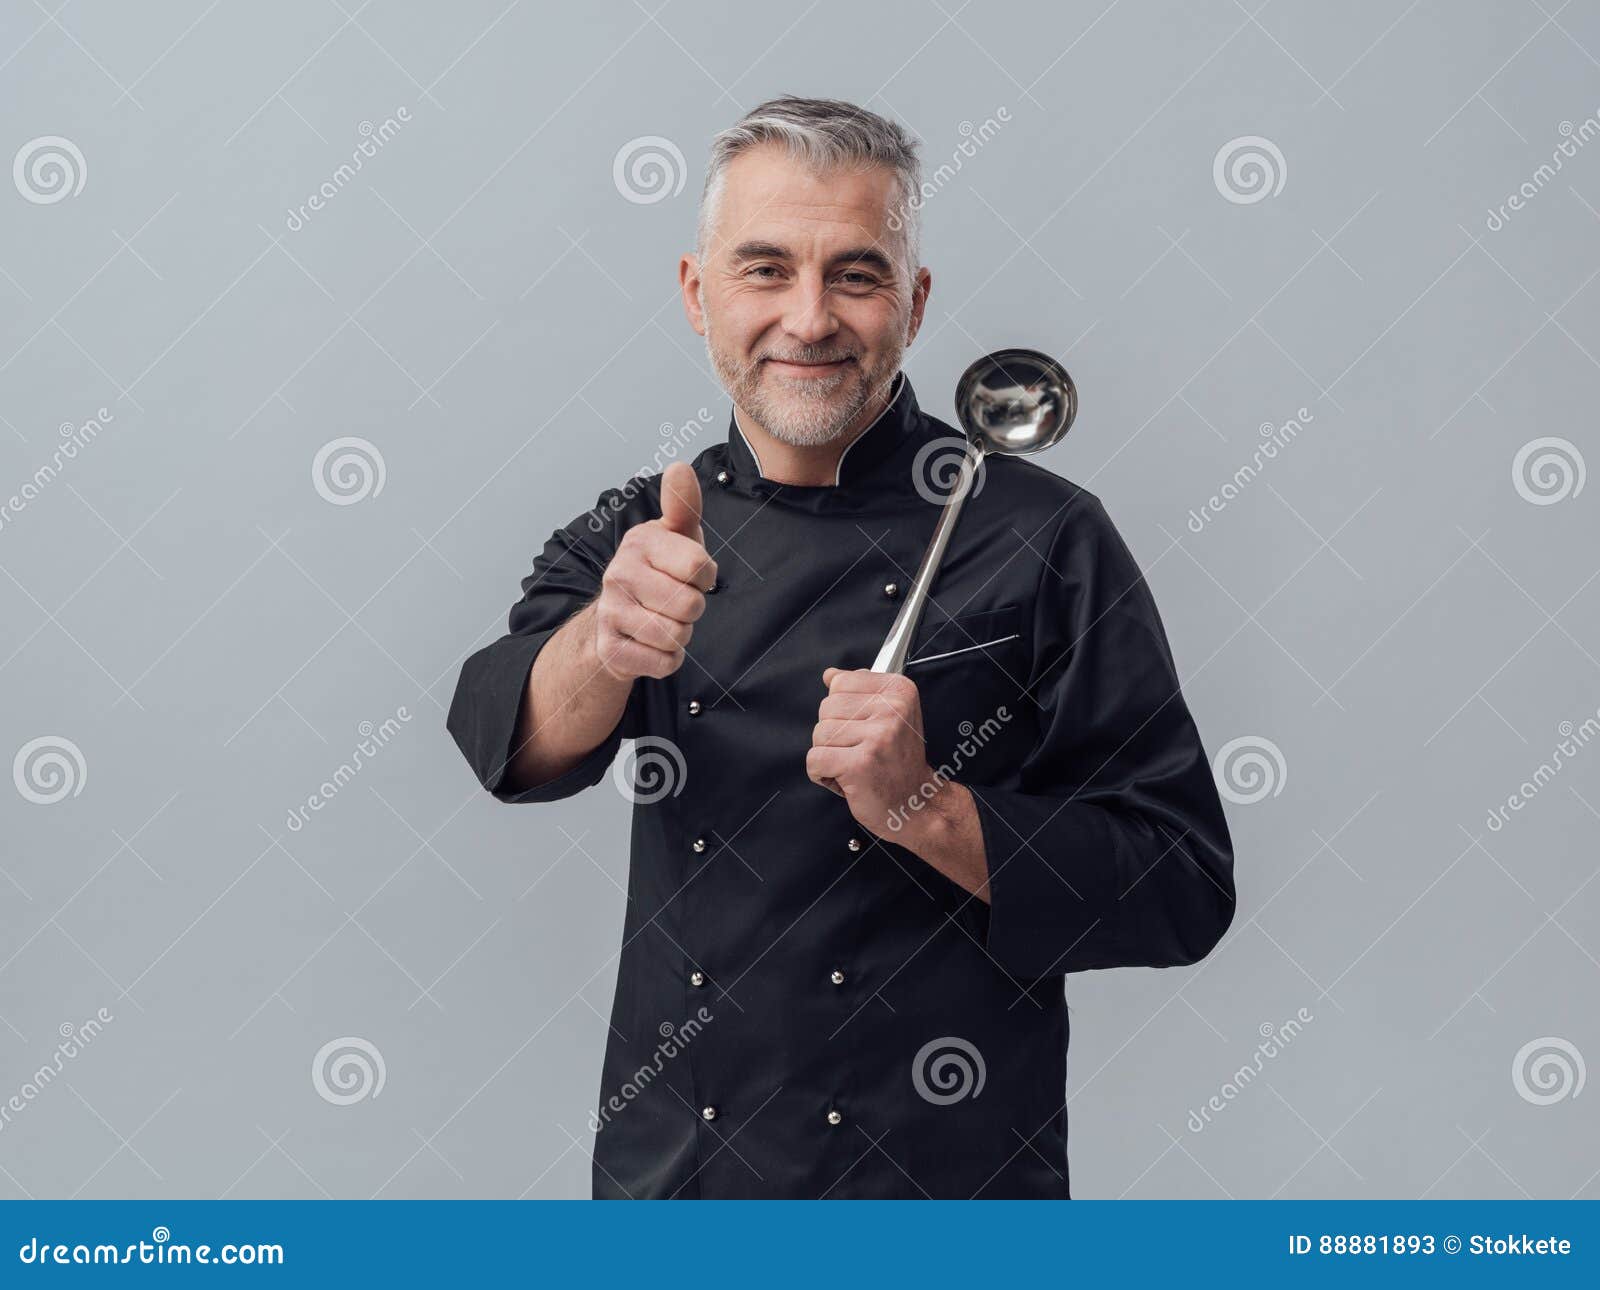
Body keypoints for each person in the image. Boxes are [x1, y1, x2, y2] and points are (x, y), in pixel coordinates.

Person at [447, 95, 1236, 1199]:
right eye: (764, 270)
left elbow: (1181, 885)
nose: (808, 319)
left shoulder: (1042, 536)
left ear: (912, 303)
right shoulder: (644, 533)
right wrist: (602, 645)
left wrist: (931, 808)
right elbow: (500, 736)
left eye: (854, 276)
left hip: (950, 1190)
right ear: (697, 295)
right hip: (682, 1183)